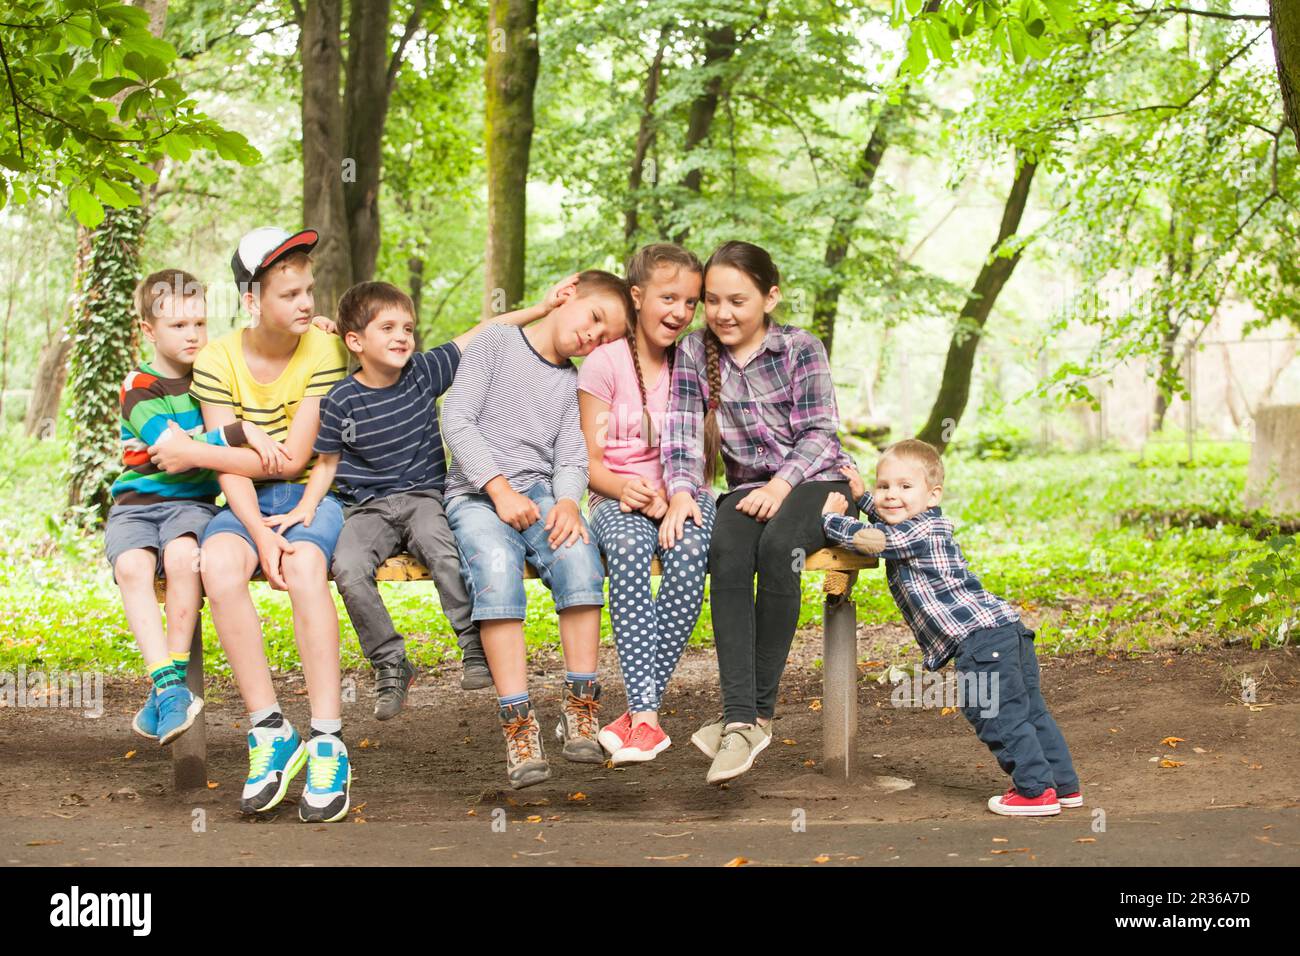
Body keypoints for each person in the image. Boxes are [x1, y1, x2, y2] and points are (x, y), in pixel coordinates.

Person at [268, 276, 577, 717]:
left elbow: (484, 331)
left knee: (442, 548)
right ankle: (391, 661)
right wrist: (305, 506)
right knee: (348, 568)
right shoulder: (339, 399)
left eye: (408, 328)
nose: (402, 337)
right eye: (388, 328)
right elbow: (327, 464)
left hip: (422, 498)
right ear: (354, 341)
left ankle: (473, 644)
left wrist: (543, 309)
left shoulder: (423, 373)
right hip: (366, 508)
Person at [169, 226, 352, 822]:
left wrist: (202, 452)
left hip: (307, 498)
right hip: (244, 501)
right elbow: (235, 463)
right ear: (252, 301)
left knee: (304, 567)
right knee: (217, 563)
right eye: (290, 294)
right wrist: (257, 530)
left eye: (309, 291)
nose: (306, 304)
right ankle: (271, 730)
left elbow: (296, 457)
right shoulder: (219, 358)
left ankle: (327, 739)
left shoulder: (323, 349)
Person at [661, 240, 855, 785]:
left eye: (738, 301)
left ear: (770, 297)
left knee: (778, 551)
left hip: (817, 480)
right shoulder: (696, 353)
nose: (723, 313)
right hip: (748, 488)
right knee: (724, 553)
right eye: (713, 301)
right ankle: (740, 717)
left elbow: (821, 434)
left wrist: (781, 484)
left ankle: (755, 717)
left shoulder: (800, 348)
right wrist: (680, 489)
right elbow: (679, 432)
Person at [441, 270, 633, 789]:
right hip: (478, 493)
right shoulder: (495, 341)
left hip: (543, 491)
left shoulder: (574, 381)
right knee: (499, 572)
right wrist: (500, 489)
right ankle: (519, 726)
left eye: (606, 337)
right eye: (594, 319)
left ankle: (581, 706)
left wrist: (569, 503)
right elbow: (456, 418)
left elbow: (571, 455)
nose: (594, 337)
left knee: (579, 559)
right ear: (565, 296)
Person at [822, 440, 1081, 817]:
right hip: (1005, 632)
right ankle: (1063, 785)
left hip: (980, 642)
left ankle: (1034, 791)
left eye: (905, 487)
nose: (892, 495)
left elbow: (876, 540)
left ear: (933, 495)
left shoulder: (917, 533)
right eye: (884, 487)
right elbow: (890, 520)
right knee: (1029, 712)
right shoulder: (923, 524)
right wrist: (863, 499)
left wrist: (828, 519)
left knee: (995, 713)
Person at [107, 268, 285, 747]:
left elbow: (265, 341)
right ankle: (167, 685)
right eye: (178, 326)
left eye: (199, 324)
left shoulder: (210, 379)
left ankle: (170, 687)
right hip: (136, 505)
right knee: (131, 567)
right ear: (149, 330)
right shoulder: (138, 386)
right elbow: (174, 447)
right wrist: (240, 431)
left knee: (185, 559)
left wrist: (323, 324)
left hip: (192, 505)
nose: (193, 335)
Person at [578, 244, 715, 765]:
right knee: (633, 553)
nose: (680, 312)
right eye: (668, 298)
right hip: (619, 497)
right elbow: (588, 461)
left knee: (688, 556)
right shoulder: (604, 363)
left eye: (690, 302)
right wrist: (622, 489)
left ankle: (639, 715)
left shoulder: (696, 360)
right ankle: (648, 716)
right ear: (637, 297)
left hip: (687, 494)